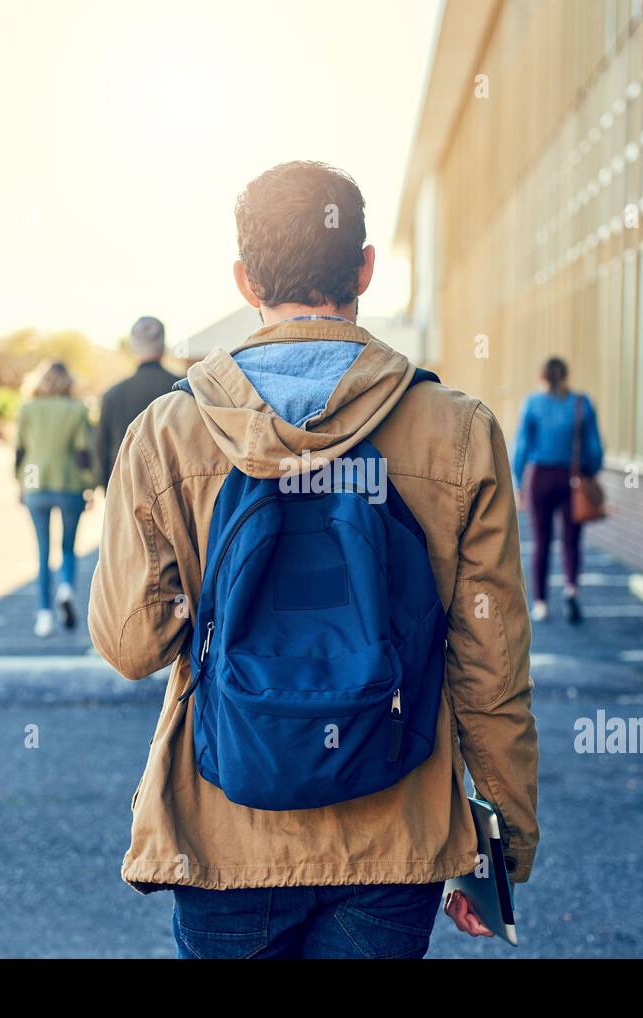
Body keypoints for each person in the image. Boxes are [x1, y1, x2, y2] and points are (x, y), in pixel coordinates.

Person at [89, 161, 538, 959]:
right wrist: (499, 846)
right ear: (363, 268)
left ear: (244, 278)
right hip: (394, 833)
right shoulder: (459, 429)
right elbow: (490, 664)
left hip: (225, 833)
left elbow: (132, 644)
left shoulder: (170, 430)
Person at [512, 357, 604, 625]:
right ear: (566, 376)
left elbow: (521, 447)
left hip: (540, 477)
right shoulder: (581, 404)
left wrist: (518, 481)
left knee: (542, 541)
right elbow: (594, 448)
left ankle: (540, 603)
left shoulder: (532, 404)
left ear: (542, 377)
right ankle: (571, 588)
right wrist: (590, 471)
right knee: (572, 539)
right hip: (571, 477)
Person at [15, 361, 95, 638]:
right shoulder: (78, 409)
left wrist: (19, 483)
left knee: (43, 551)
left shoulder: (27, 409)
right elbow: (84, 452)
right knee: (68, 547)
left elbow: (21, 451)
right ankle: (66, 588)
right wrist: (89, 485)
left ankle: (44, 617)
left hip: (35, 483)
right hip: (69, 483)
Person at [95, 316, 179, 488]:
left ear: (134, 347)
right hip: (174, 487)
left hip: (125, 487)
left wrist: (106, 487)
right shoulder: (183, 388)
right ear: (163, 345)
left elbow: (101, 447)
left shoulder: (113, 394)